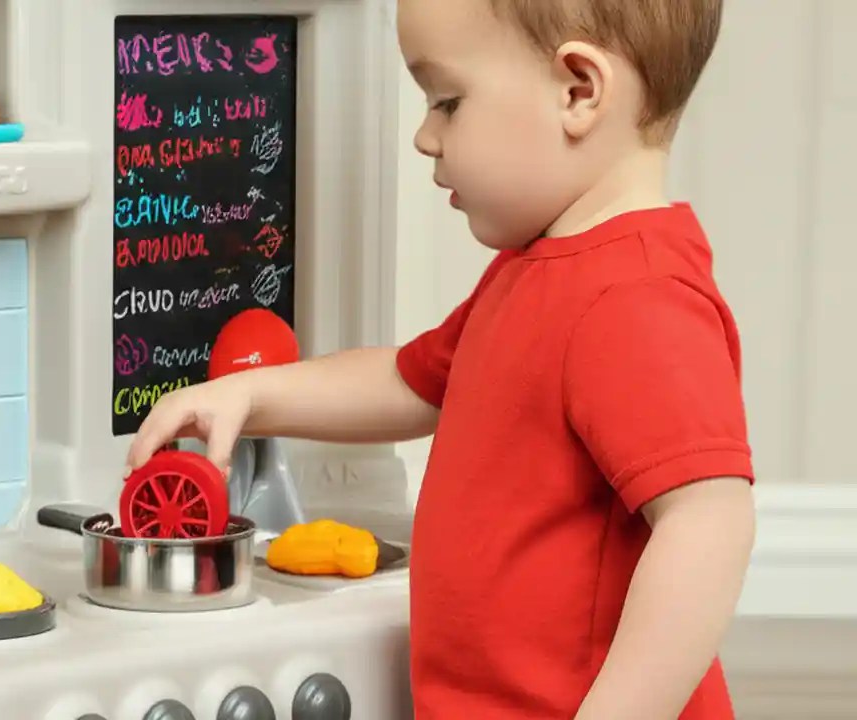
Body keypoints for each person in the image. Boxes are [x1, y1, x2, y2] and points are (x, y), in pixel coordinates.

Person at [126, 0, 756, 716]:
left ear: (579, 90)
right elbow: (411, 381)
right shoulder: (539, 272)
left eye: (448, 102)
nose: (426, 137)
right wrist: (254, 396)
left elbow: (708, 524)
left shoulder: (634, 297)